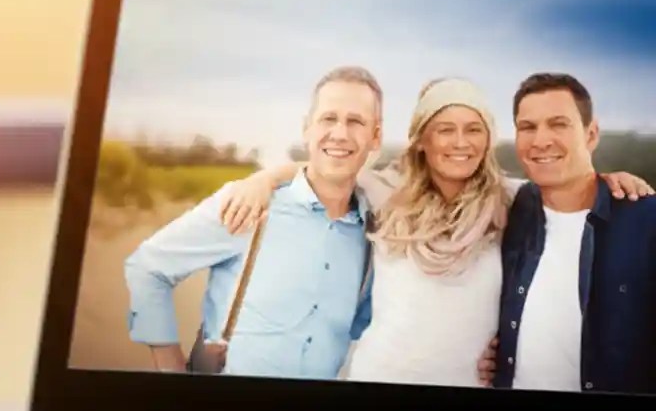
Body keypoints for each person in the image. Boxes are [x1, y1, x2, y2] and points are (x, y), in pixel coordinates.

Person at [219, 77, 653, 387]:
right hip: (377, 387)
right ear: (422, 140)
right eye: (445, 129)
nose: (460, 142)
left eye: (474, 130)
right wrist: (263, 179)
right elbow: (324, 170)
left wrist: (610, 181)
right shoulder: (386, 191)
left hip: (467, 399)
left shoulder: (509, 199)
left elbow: (567, 186)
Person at [123, 65, 378, 377]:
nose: (340, 133)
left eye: (356, 121)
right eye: (328, 118)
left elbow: (358, 329)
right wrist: (170, 372)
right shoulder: (248, 205)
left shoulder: (373, 235)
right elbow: (148, 267)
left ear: (376, 137)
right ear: (306, 128)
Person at [485, 73, 656, 394]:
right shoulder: (510, 209)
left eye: (558, 124)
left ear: (591, 134)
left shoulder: (646, 221)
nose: (541, 140)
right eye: (527, 127)